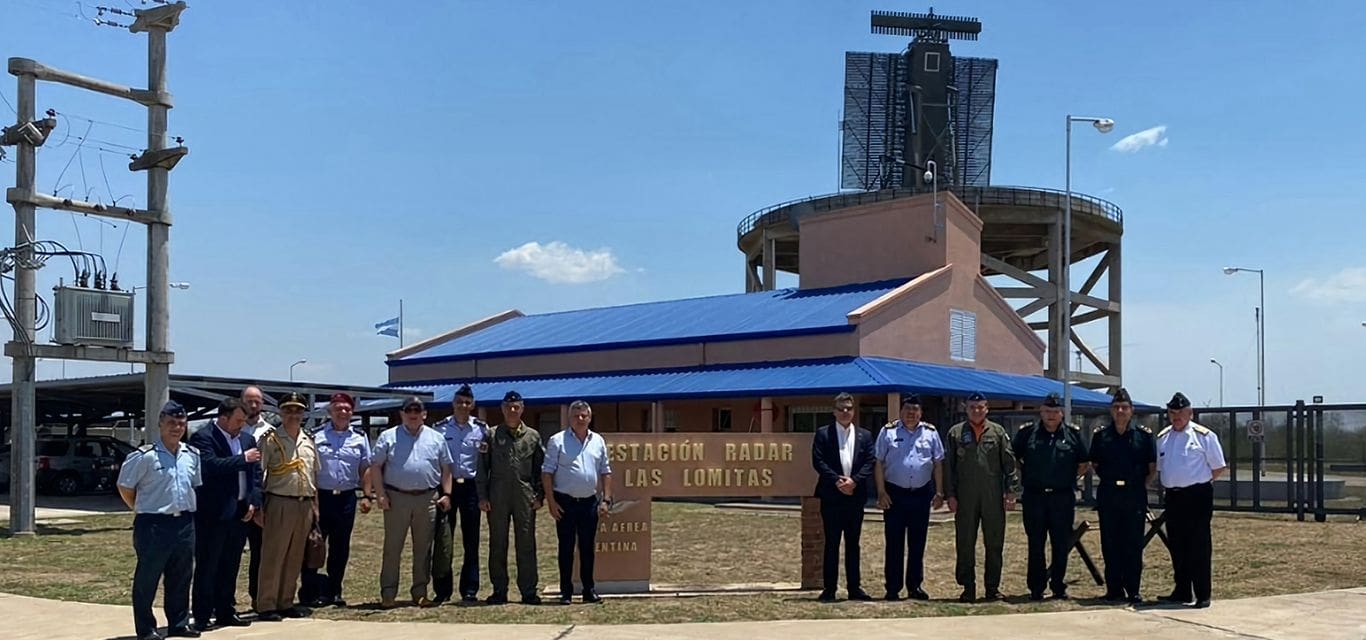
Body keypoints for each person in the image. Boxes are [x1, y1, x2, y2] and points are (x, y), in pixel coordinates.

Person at [116, 400, 202, 640]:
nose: (177, 428)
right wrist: (142, 508)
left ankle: (179, 623)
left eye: (181, 423)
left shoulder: (191, 455)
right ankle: (146, 629)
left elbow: (193, 486)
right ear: (160, 425)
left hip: (184, 523)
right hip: (153, 525)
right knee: (148, 579)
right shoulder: (144, 456)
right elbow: (125, 487)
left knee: (182, 576)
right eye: (171, 423)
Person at [369, 395, 454, 608]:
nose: (413, 415)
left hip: (427, 499)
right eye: (409, 411)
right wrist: (379, 494)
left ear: (424, 414)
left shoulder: (437, 438)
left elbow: (446, 469)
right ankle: (388, 593)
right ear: (402, 414)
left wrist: (447, 493)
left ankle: (420, 591)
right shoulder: (388, 437)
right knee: (392, 547)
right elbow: (376, 467)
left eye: (418, 411)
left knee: (423, 548)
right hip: (396, 498)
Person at [188, 398, 262, 632]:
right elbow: (209, 466)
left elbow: (256, 474)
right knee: (208, 566)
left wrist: (253, 501)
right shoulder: (203, 437)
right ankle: (201, 615)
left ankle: (225, 611)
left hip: (240, 512)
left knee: (231, 565)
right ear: (223, 418)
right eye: (238, 420)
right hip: (213, 514)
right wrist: (243, 459)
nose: (242, 425)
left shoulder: (247, 439)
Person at [1011, 393, 1090, 601]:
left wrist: (1070, 478)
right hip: (1034, 497)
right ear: (1041, 412)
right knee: (1036, 543)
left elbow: (1084, 462)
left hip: (1062, 497)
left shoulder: (1073, 434)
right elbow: (1014, 458)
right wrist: (1026, 474)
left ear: (1061, 413)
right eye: (1047, 411)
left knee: (1060, 543)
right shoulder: (1027, 433)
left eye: (1055, 411)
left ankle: (1058, 585)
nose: (1051, 415)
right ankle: (1036, 588)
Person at [943, 391, 1020, 603]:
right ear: (965, 408)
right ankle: (968, 587)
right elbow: (949, 468)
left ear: (987, 408)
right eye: (972, 407)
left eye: (980, 407)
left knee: (994, 542)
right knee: (965, 542)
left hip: (992, 496)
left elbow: (1009, 463)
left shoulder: (997, 432)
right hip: (965, 497)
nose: (976, 411)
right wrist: (950, 494)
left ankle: (992, 588)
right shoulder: (955, 433)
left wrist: (1011, 491)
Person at [1156, 391, 1227, 609]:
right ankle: (1182, 590)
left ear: (1190, 413)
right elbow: (1161, 468)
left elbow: (1218, 468)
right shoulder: (1163, 438)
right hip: (1173, 497)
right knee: (1177, 545)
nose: (1176, 416)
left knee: (1199, 545)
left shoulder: (1204, 436)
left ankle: (1203, 593)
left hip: (1197, 496)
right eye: (1172, 412)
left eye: (1180, 412)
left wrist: (1198, 483)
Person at [301, 392, 371, 607]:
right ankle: (309, 592)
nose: (343, 412)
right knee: (313, 545)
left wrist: (367, 495)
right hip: (321, 497)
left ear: (352, 412)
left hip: (347, 498)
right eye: (338, 408)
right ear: (330, 411)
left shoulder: (359, 437)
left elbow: (365, 467)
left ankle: (334, 591)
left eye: (347, 409)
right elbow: (309, 469)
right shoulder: (315, 435)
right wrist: (312, 501)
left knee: (340, 548)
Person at [254, 392, 320, 621]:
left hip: (304, 504)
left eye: (298, 410)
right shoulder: (270, 439)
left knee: (295, 556)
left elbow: (313, 476)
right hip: (279, 501)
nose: (293, 415)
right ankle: (266, 604)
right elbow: (258, 474)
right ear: (280, 412)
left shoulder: (309, 439)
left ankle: (285, 602)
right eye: (288, 410)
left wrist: (315, 508)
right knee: (274, 554)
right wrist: (258, 507)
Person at [477, 390, 546, 605]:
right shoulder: (491, 434)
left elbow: (540, 470)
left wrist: (540, 495)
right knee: (498, 544)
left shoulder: (533, 436)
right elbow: (482, 468)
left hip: (524, 495)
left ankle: (528, 591)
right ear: (502, 409)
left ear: (522, 409)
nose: (512, 411)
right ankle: (499, 590)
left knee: (526, 543)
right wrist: (482, 496)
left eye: (516, 407)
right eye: (508, 407)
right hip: (497, 495)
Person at [542, 400, 614, 605]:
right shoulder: (557, 441)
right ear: (569, 418)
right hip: (565, 502)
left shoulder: (598, 441)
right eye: (576, 416)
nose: (580, 419)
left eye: (584, 415)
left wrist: (606, 500)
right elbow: (547, 473)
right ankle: (566, 591)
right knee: (565, 548)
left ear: (590, 417)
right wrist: (551, 502)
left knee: (587, 548)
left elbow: (605, 472)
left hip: (590, 502)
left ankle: (588, 590)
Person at [873, 393, 944, 601]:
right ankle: (893, 588)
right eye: (907, 410)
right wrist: (881, 492)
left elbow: (938, 463)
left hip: (921, 494)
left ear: (921, 413)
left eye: (915, 410)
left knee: (917, 543)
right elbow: (878, 462)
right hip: (894, 494)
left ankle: (915, 586)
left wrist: (939, 492)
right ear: (901, 411)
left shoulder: (930, 433)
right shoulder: (888, 432)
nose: (911, 414)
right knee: (894, 543)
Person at [1089, 387, 1156, 604]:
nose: (1120, 411)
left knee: (1133, 545)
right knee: (1110, 544)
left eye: (1124, 407)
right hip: (1109, 495)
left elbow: (1151, 468)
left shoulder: (1144, 436)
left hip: (1134, 495)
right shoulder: (1101, 436)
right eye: (1116, 407)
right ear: (1111, 410)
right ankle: (1114, 589)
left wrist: (1136, 486)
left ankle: (1133, 590)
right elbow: (1096, 464)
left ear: (1131, 410)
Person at [810, 392, 876, 602]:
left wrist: (854, 481)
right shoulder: (823, 434)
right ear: (834, 411)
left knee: (853, 543)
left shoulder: (864, 435)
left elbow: (870, 461)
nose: (845, 412)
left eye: (848, 408)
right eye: (841, 409)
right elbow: (818, 461)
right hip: (831, 496)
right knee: (832, 543)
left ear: (854, 411)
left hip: (855, 497)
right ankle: (829, 589)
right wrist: (838, 481)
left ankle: (854, 588)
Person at [429, 384, 488, 604]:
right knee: (444, 539)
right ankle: (442, 590)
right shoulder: (440, 429)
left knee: (471, 541)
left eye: (467, 402)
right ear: (453, 403)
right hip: (447, 488)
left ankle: (470, 589)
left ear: (472, 405)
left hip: (472, 488)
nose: (463, 406)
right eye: (459, 402)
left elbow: (485, 462)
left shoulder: (481, 429)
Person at [240, 385, 272, 613]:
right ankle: (221, 602)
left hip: (261, 499)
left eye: (257, 401)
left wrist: (259, 502)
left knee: (259, 554)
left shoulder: (271, 431)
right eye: (249, 401)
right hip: (236, 499)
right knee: (226, 553)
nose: (253, 405)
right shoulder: (231, 428)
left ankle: (257, 597)